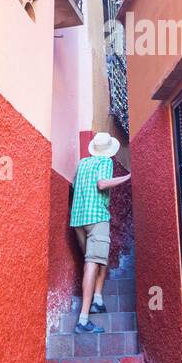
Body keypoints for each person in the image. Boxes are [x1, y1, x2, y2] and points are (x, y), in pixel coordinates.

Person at [69, 132, 130, 334]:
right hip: (96, 217)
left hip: (78, 219)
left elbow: (74, 186)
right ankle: (84, 320)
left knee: (97, 258)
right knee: (93, 262)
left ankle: (98, 299)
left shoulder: (82, 163)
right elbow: (102, 184)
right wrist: (127, 176)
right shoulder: (106, 162)